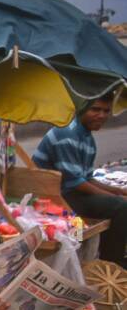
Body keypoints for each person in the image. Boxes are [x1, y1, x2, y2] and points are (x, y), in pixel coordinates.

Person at [32, 92, 127, 261]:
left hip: (70, 193)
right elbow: (75, 183)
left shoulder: (86, 137)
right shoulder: (67, 133)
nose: (102, 115)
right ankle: (113, 263)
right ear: (81, 109)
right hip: (54, 198)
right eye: (95, 109)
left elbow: (87, 178)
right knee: (120, 207)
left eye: (106, 111)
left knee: (118, 202)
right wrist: (116, 198)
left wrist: (118, 190)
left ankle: (111, 258)